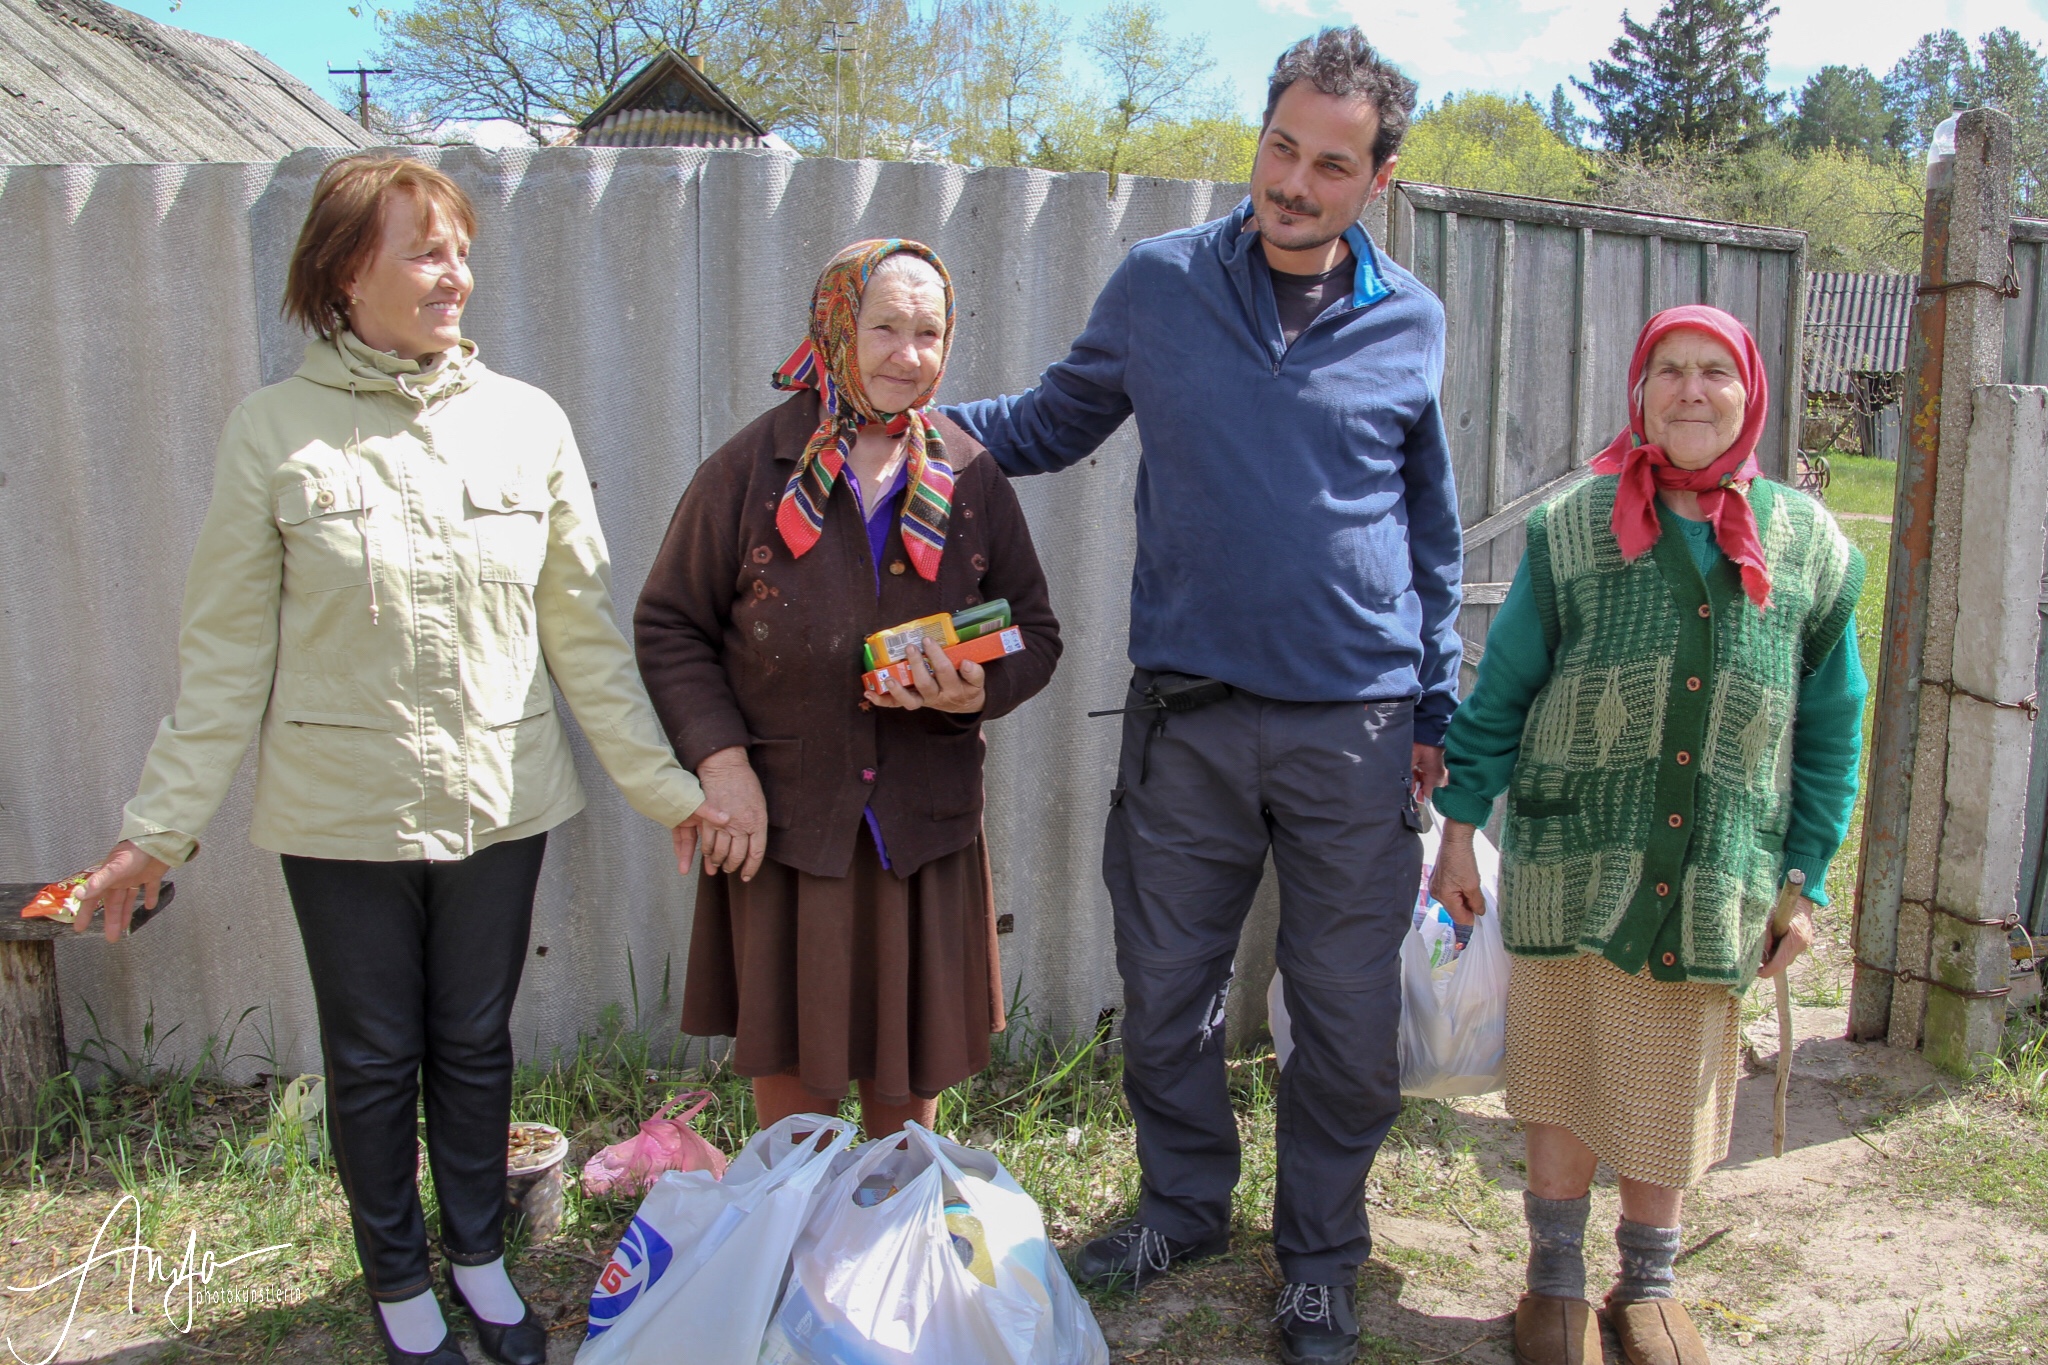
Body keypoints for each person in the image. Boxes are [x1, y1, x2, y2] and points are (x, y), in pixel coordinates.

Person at [72, 154, 728, 1365]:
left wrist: (664, 790)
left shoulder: (527, 421)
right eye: (424, 250)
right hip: (340, 808)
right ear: (343, 271)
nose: (454, 273)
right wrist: (154, 832)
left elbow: (580, 628)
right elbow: (223, 656)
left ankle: (477, 1256)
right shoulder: (273, 434)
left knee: (476, 1040)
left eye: (458, 249)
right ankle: (397, 1282)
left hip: (501, 794)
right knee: (372, 1054)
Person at [940, 28, 1458, 1365]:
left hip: (1354, 725)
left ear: (1376, 180)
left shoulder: (1410, 319)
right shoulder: (1160, 286)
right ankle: (1183, 1206)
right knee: (1166, 988)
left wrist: (1433, 711)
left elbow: (1429, 526)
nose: (1295, 180)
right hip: (1191, 719)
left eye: (1330, 163)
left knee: (1341, 1018)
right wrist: (919, 419)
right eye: (1282, 146)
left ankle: (1321, 1260)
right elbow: (1051, 422)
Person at [1429, 305, 1867, 1365]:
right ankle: (1554, 1281)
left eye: (1713, 372)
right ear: (1638, 391)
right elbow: (1502, 692)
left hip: (1717, 868)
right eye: (1667, 370)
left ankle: (1650, 1284)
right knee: (1565, 1066)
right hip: (1574, 861)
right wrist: (1454, 833)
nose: (1689, 391)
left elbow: (1832, 726)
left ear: (1748, 395)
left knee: (1671, 1081)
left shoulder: (1806, 544)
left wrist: (1801, 882)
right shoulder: (1574, 528)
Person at [634, 239, 1061, 1140]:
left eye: (929, 332)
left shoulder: (969, 473)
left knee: (908, 1081)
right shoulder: (752, 469)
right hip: (794, 822)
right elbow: (671, 624)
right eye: (885, 328)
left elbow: (1033, 631)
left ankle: (889, 1237)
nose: (910, 355)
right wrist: (722, 765)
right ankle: (797, 1242)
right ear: (836, 326)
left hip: (922, 821)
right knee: (797, 1065)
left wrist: (967, 694)